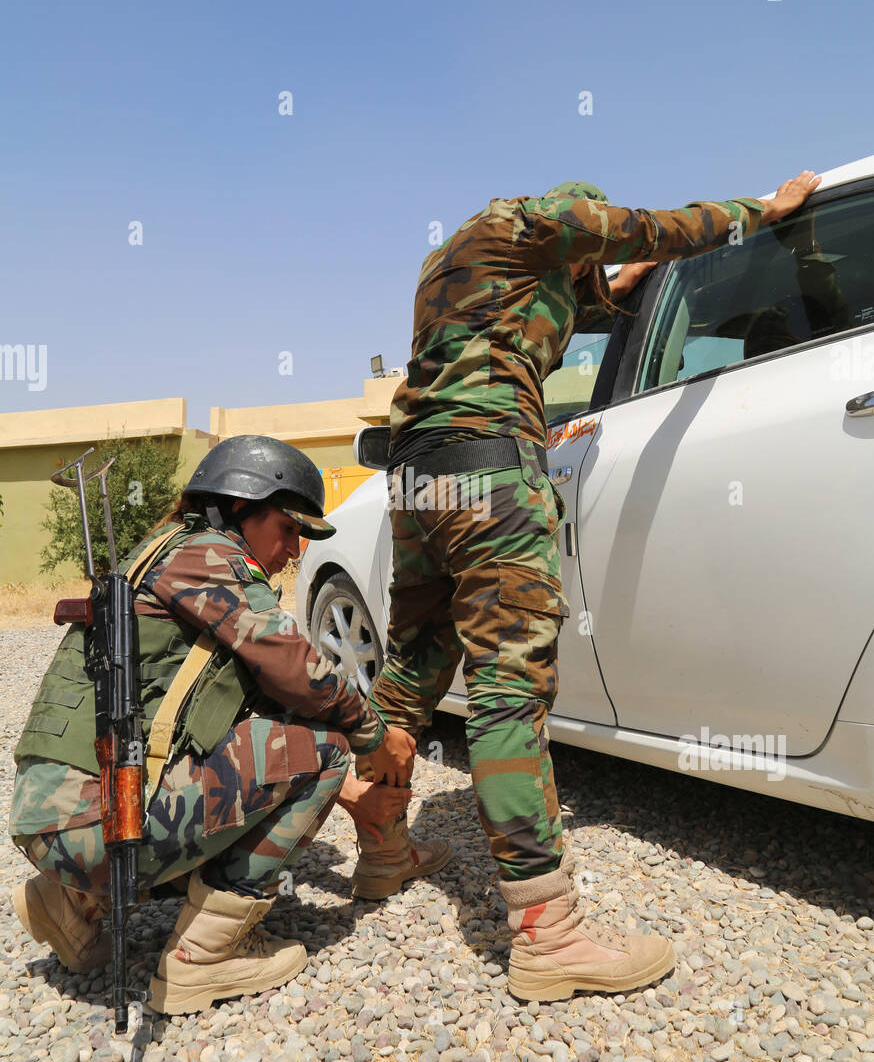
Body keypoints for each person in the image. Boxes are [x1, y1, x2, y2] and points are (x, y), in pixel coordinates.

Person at [361, 170, 822, 1002]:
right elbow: (653, 227)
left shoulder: (452, 260)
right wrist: (761, 212)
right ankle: (548, 933)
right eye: (584, 263)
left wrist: (618, 288)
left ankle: (383, 846)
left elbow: (592, 297)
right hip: (491, 467)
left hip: (420, 477)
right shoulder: (537, 215)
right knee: (510, 685)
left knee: (415, 665)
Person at [8, 435, 446, 1015]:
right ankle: (204, 958)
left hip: (57, 818)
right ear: (242, 506)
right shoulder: (211, 556)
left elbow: (249, 714)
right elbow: (297, 667)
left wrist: (355, 801)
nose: (294, 550)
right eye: (288, 528)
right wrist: (374, 734)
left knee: (287, 734)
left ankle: (72, 904)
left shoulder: (166, 551)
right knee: (327, 748)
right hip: (103, 819)